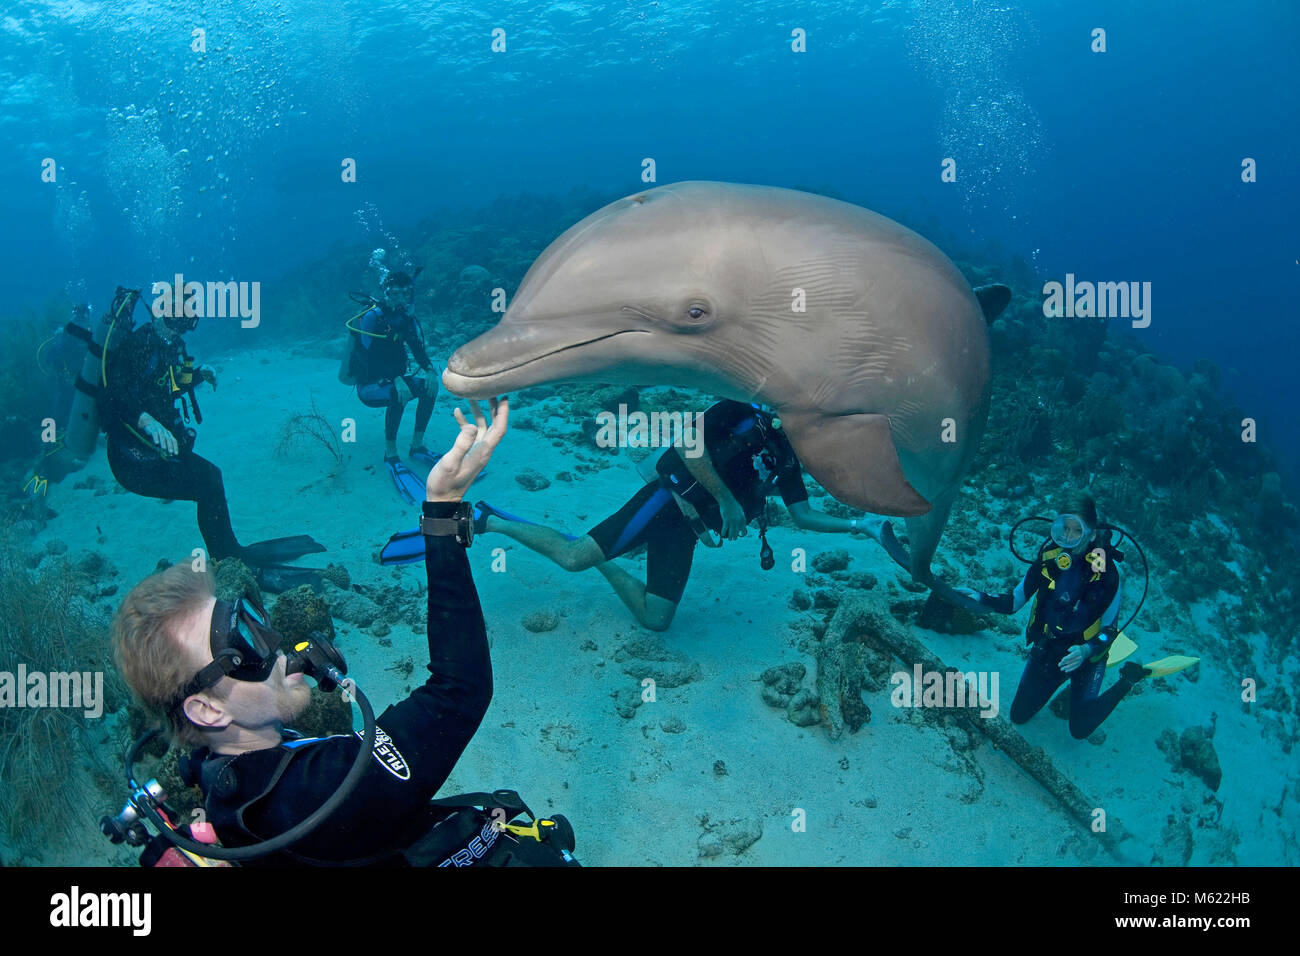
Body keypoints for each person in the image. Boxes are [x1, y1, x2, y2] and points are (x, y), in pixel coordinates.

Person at [111, 398, 568, 866]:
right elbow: (461, 689)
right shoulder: (325, 790)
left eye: (253, 617)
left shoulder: (222, 770)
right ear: (205, 710)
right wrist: (443, 514)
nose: (276, 648)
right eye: (243, 643)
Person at [471, 399, 873, 631]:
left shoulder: (787, 459)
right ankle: (491, 520)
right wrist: (729, 503)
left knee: (656, 620)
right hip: (666, 503)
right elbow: (687, 442)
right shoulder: (743, 413)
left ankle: (605, 562)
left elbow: (803, 515)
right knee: (572, 559)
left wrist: (860, 525)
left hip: (689, 531)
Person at [90, 286, 324, 585]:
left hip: (156, 451)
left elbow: (167, 386)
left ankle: (229, 554)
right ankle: (228, 563)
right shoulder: (140, 344)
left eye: (188, 319)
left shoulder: (169, 346)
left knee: (209, 479)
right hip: (131, 460)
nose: (181, 328)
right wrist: (147, 421)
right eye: (178, 318)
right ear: (163, 313)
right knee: (208, 480)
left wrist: (200, 374)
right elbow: (110, 397)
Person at [955, 492, 1150, 739]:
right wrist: (980, 598)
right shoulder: (1049, 560)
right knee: (1018, 715)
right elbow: (1013, 602)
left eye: (1076, 530)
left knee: (1079, 730)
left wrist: (1086, 652)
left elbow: (1110, 632)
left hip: (1087, 659)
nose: (1068, 538)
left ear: (1091, 534)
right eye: (1063, 528)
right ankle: (1061, 687)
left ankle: (1127, 681)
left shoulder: (1108, 575)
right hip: (1050, 650)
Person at [339, 268, 441, 504]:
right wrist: (395, 378)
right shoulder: (372, 317)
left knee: (429, 387)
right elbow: (368, 357)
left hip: (394, 379)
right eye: (393, 292)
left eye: (403, 293)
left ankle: (417, 447)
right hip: (370, 386)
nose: (398, 297)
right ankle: (391, 453)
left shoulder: (405, 317)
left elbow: (416, 347)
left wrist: (430, 371)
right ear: (385, 291)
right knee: (399, 393)